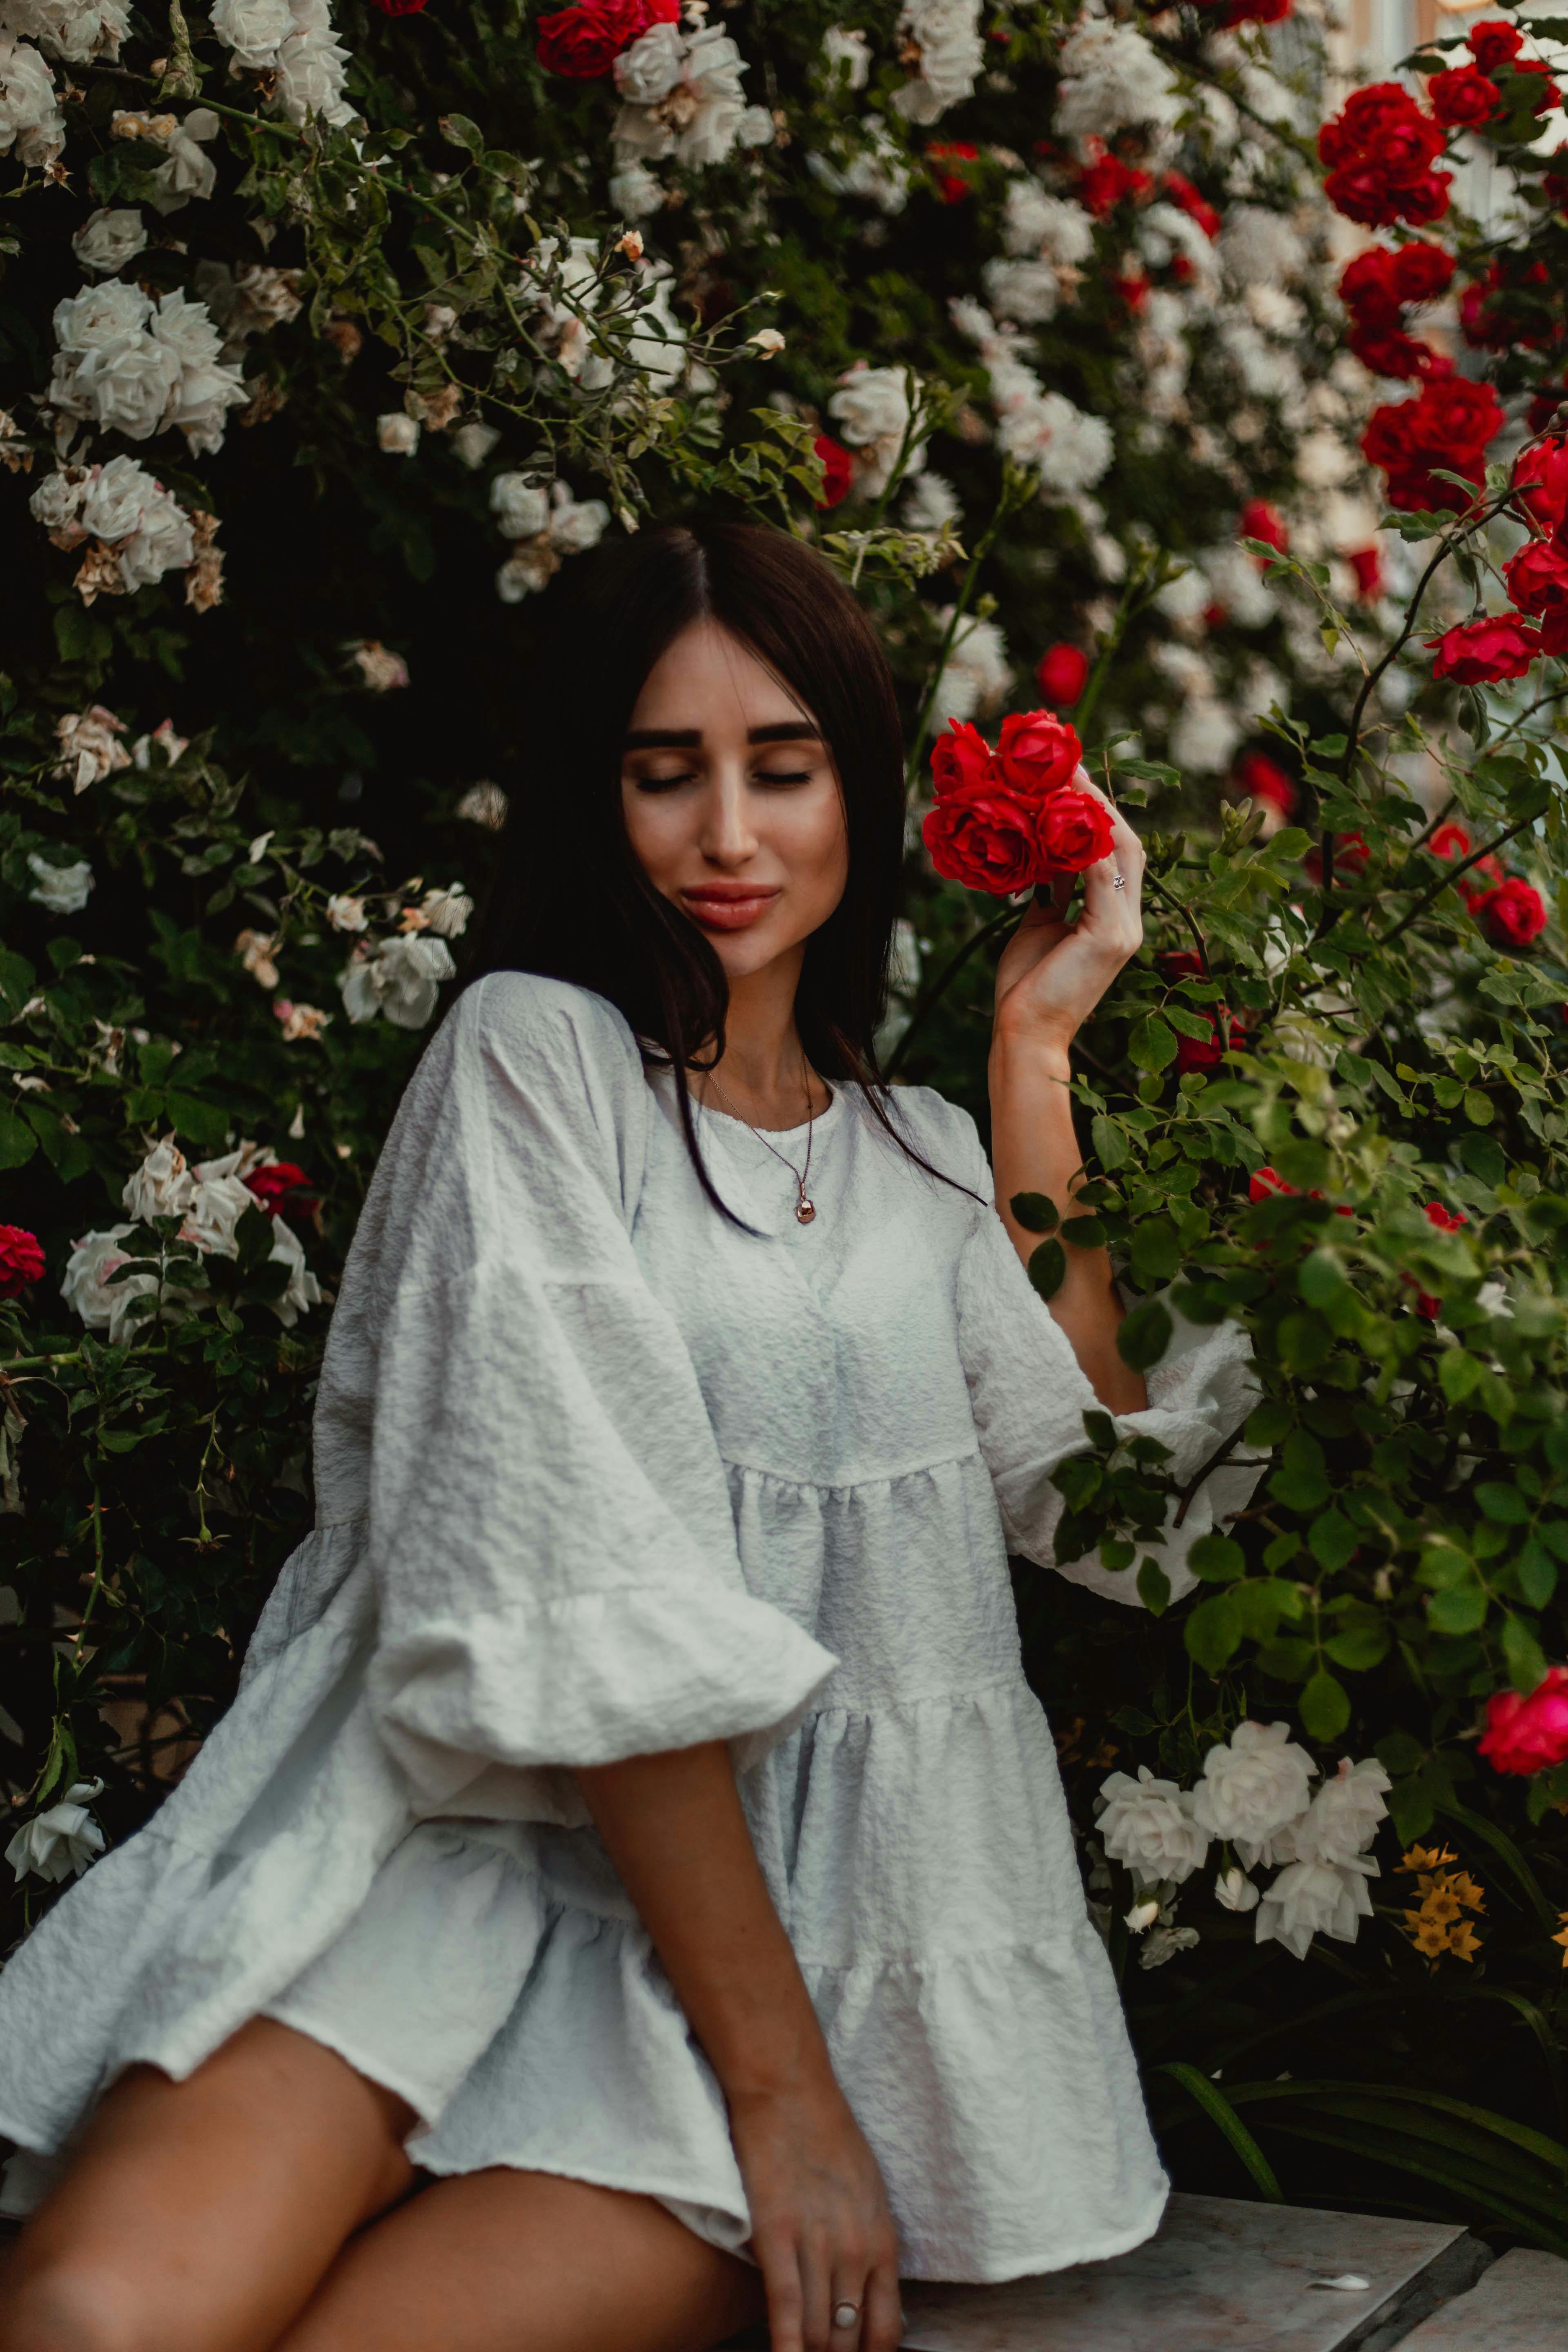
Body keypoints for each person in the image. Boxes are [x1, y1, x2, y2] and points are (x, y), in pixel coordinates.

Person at [0, 521, 1255, 2352]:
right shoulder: (535, 1059)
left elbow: (1114, 1508)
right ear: (601, 803)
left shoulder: (920, 1158)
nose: (728, 835)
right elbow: (583, 1578)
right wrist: (791, 2096)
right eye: (668, 773)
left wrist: (1035, 1061)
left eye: (784, 769)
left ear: (863, 790)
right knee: (97, 2319)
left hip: (766, 1962)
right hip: (451, 1864)